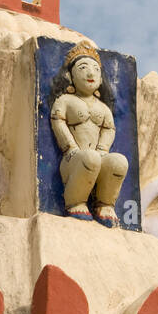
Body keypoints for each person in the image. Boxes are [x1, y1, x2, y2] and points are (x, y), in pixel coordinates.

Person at [49, 42, 127, 227]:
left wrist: (103, 149)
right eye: (83, 68)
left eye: (95, 70)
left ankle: (105, 204)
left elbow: (109, 129)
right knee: (90, 159)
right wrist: (71, 147)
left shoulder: (103, 108)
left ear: (101, 80)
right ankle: (75, 201)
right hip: (73, 159)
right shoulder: (66, 100)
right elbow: (57, 121)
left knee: (119, 162)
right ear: (70, 76)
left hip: (98, 155)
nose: (91, 74)